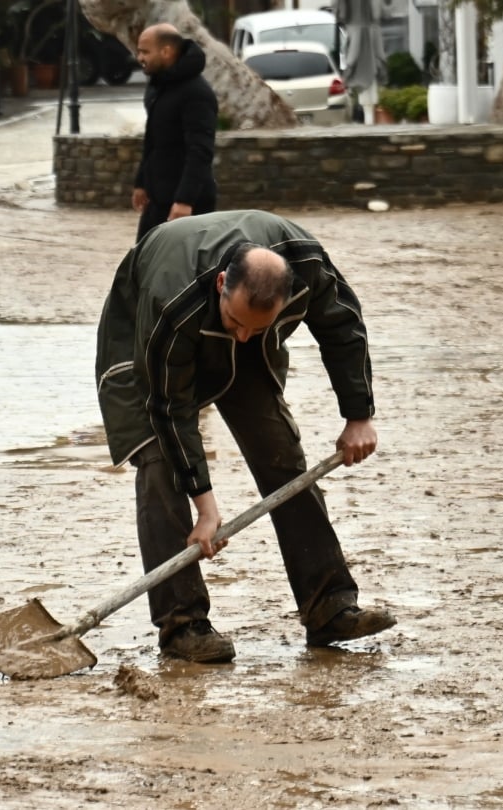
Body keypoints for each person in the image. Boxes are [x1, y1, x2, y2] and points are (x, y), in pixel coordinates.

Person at [95, 210, 396, 664]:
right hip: (143, 350)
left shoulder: (306, 266)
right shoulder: (169, 303)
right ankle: (182, 626)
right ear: (221, 285)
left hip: (239, 346)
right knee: (160, 467)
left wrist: (358, 416)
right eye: (236, 322)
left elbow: (343, 327)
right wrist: (206, 508)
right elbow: (171, 410)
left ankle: (329, 606)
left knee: (282, 455)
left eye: (256, 326)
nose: (242, 335)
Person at [131, 23, 218, 242]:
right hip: (157, 198)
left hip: (187, 203)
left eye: (145, 52)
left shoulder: (196, 93)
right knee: (144, 263)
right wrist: (141, 183)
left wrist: (184, 200)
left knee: (182, 269)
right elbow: (152, 139)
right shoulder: (158, 86)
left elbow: (200, 151)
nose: (140, 57)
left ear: (166, 51)